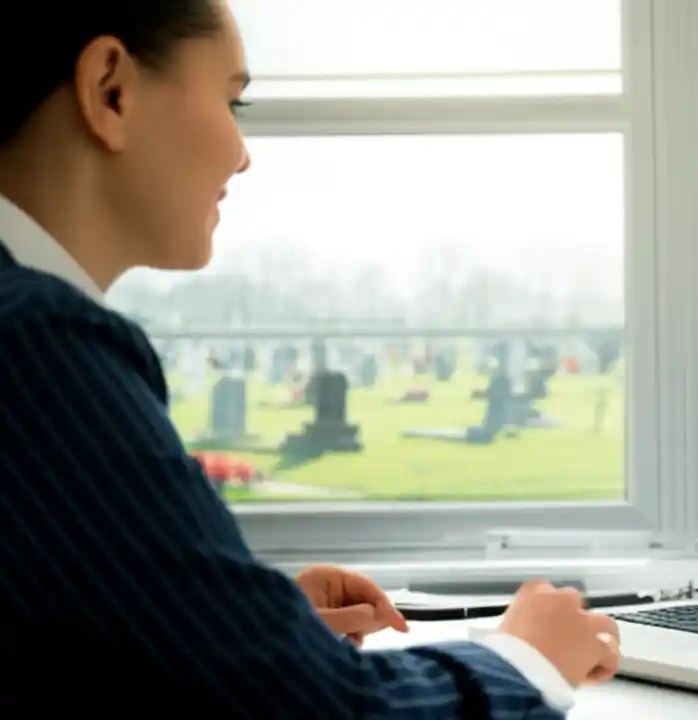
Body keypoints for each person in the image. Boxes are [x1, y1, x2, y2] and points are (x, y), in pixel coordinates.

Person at [0, 2, 619, 717]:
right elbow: (321, 712)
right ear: (112, 90)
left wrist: (226, 622)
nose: (242, 151)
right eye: (232, 100)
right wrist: (528, 656)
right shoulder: (38, 341)